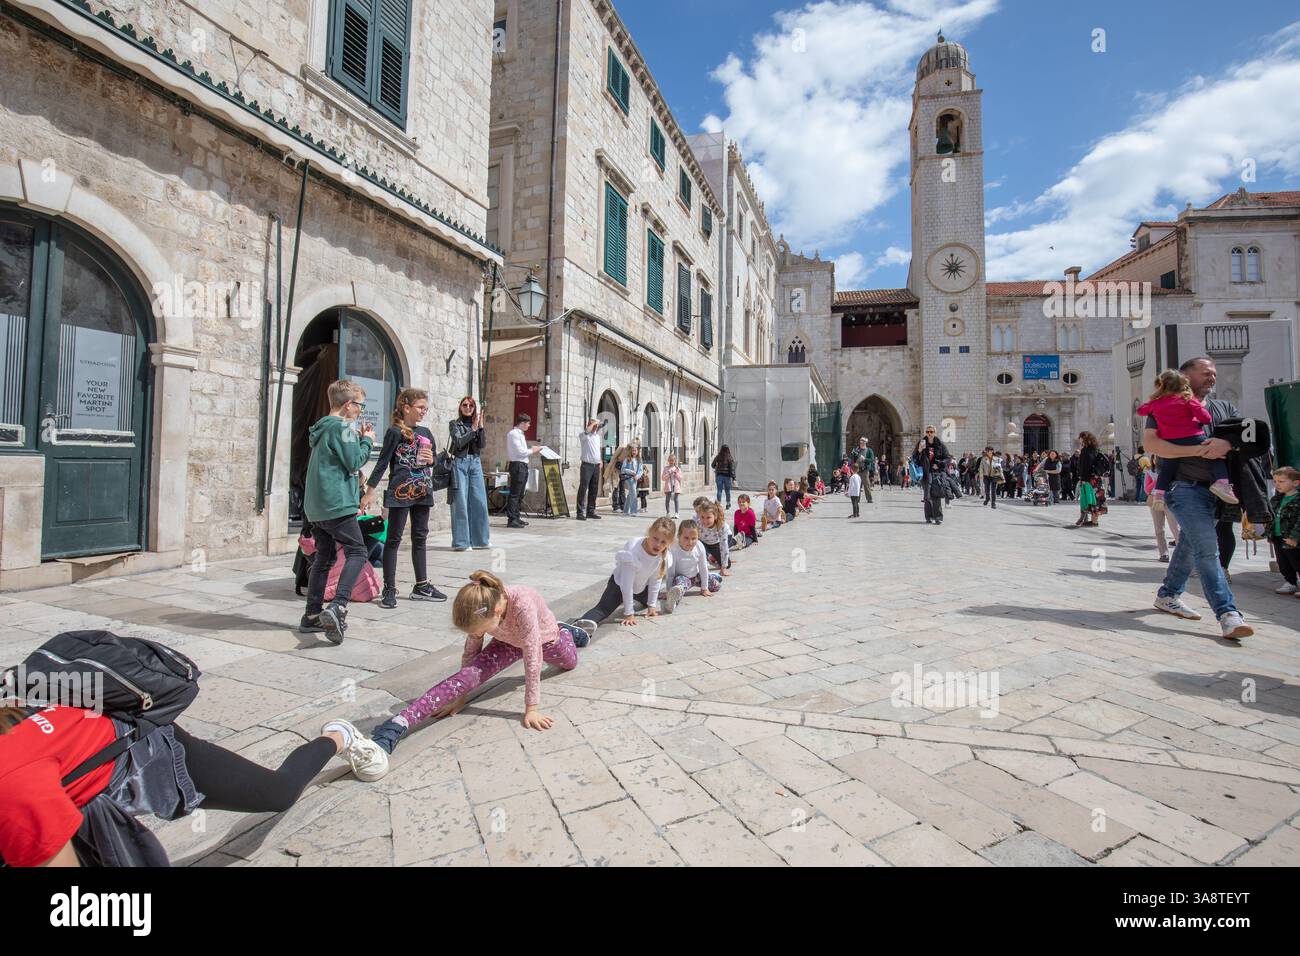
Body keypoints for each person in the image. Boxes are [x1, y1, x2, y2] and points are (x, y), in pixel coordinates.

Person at [0, 703, 388, 866]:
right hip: (89, 755)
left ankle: (338, 736)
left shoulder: (12, 790)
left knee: (278, 793)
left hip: (156, 751)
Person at [367, 573, 585, 755]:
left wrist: (532, 708)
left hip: (545, 640)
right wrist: (461, 695)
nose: (477, 635)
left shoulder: (522, 604)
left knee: (569, 663)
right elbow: (471, 654)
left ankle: (567, 630)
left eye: (479, 630)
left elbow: (533, 656)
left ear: (498, 612)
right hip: (507, 642)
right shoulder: (479, 609)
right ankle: (398, 725)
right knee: (469, 675)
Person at [1145, 356, 1256, 639]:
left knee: (1191, 544)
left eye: (1215, 373)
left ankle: (1168, 594)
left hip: (1219, 489)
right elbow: (1153, 445)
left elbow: (1247, 439)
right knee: (1208, 549)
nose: (1212, 377)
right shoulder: (1165, 405)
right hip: (1184, 488)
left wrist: (1227, 443)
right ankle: (1228, 614)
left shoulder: (1224, 408)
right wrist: (1198, 450)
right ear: (1185, 376)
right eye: (1206, 373)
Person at [300, 380, 374, 643]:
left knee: (325, 557)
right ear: (347, 405)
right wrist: (366, 441)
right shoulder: (342, 427)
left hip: (316, 506)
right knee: (358, 551)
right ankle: (339, 606)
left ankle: (311, 615)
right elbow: (354, 460)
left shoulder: (321, 428)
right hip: (336, 503)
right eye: (359, 407)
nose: (360, 412)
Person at [363, 388, 447, 609]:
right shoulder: (394, 432)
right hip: (400, 491)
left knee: (420, 538)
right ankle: (389, 588)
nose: (423, 412)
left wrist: (431, 461)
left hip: (422, 492)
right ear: (406, 407)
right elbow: (382, 463)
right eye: (420, 408)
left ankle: (421, 585)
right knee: (393, 539)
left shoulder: (426, 432)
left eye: (425, 408)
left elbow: (434, 462)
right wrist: (370, 491)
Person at [1139, 369, 1239, 509]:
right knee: (1215, 455)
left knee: (1168, 466)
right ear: (1184, 385)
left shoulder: (1155, 404)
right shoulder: (1187, 400)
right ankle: (1221, 483)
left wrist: (1155, 402)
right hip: (1193, 436)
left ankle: (1159, 494)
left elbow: (1140, 410)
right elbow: (1206, 418)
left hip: (1170, 440)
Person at [578, 516, 679, 626]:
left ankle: (665, 600)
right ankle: (577, 627)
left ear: (669, 543)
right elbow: (627, 586)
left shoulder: (664, 556)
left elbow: (655, 580)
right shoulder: (633, 549)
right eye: (655, 538)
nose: (658, 544)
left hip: (640, 587)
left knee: (649, 599)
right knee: (603, 609)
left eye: (663, 542)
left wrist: (652, 606)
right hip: (620, 585)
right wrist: (629, 613)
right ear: (649, 532)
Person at [448, 395, 490, 552]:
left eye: (471, 406)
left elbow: (481, 444)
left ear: (474, 408)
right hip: (460, 462)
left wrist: (481, 427)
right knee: (460, 502)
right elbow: (458, 442)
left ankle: (481, 540)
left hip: (475, 463)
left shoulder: (476, 424)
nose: (467, 408)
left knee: (480, 501)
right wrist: (472, 430)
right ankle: (462, 542)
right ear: (460, 407)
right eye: (464, 405)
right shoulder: (455, 424)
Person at [504, 413, 542, 530]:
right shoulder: (513, 434)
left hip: (523, 465)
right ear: (522, 423)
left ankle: (516, 516)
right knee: (515, 493)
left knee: (520, 493)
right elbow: (520, 451)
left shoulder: (520, 434)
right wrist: (533, 450)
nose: (529, 425)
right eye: (528, 423)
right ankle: (511, 519)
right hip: (517, 465)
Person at [668, 519, 720, 601]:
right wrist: (668, 591)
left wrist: (704, 588)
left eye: (694, 538)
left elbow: (703, 568)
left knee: (716, 587)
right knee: (680, 586)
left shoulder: (699, 546)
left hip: (696, 576)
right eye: (686, 538)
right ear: (679, 536)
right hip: (682, 578)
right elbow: (670, 571)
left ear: (698, 537)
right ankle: (675, 594)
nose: (690, 542)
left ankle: (713, 576)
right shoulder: (674, 549)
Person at [1268, 467, 1300, 595]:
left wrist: (1295, 537)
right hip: (1278, 535)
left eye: (1281, 481)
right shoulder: (1277, 499)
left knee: (1296, 560)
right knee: (1283, 562)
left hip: (1292, 537)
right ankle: (1290, 582)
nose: (1277, 484)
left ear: (1296, 483)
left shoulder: (1298, 499)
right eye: (1275, 481)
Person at [1145, 454, 1181, 562]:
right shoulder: (1150, 472)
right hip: (1155, 501)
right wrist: (1159, 480)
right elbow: (1147, 489)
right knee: (1159, 529)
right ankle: (1164, 553)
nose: (1158, 459)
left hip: (1169, 500)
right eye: (1155, 457)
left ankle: (1182, 553)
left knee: (1175, 528)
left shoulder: (1172, 471)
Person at [913, 425, 950, 525]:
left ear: (935, 433)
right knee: (927, 495)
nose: (929, 434)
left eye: (931, 432)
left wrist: (938, 464)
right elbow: (914, 458)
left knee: (936, 495)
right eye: (927, 431)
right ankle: (928, 517)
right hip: (925, 473)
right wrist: (919, 450)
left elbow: (947, 458)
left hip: (936, 473)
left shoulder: (940, 445)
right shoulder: (921, 443)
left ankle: (938, 517)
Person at [695, 498, 733, 575]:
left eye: (708, 517)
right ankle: (708, 557)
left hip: (715, 544)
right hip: (703, 544)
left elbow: (724, 546)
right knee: (700, 555)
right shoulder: (698, 523)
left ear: (715, 516)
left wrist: (723, 568)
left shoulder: (722, 526)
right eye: (702, 517)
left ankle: (737, 540)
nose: (705, 521)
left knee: (727, 564)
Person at [576, 419, 605, 521]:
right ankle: (579, 512)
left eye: (596, 426)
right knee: (583, 489)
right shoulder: (584, 436)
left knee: (594, 489)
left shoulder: (597, 437)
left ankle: (590, 511)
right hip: (587, 465)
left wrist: (600, 459)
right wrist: (593, 422)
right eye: (594, 426)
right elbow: (587, 430)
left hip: (596, 465)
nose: (596, 427)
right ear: (590, 425)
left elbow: (596, 449)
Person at [619, 446, 643, 516]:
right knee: (634, 494)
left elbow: (640, 470)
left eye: (635, 450)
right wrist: (631, 472)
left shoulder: (639, 460)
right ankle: (633, 511)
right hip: (628, 478)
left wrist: (637, 476)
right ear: (630, 451)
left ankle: (626, 510)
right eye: (633, 451)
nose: (634, 452)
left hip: (635, 479)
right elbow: (623, 469)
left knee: (631, 494)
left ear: (637, 451)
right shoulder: (627, 459)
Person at [660, 453, 683, 518]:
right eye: (670, 460)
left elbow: (680, 478)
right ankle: (668, 513)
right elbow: (663, 478)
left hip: (676, 486)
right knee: (667, 500)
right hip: (668, 486)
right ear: (668, 460)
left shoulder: (677, 469)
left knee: (676, 499)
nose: (671, 461)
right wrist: (669, 474)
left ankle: (676, 513)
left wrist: (676, 474)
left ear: (675, 461)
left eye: (672, 460)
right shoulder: (666, 468)